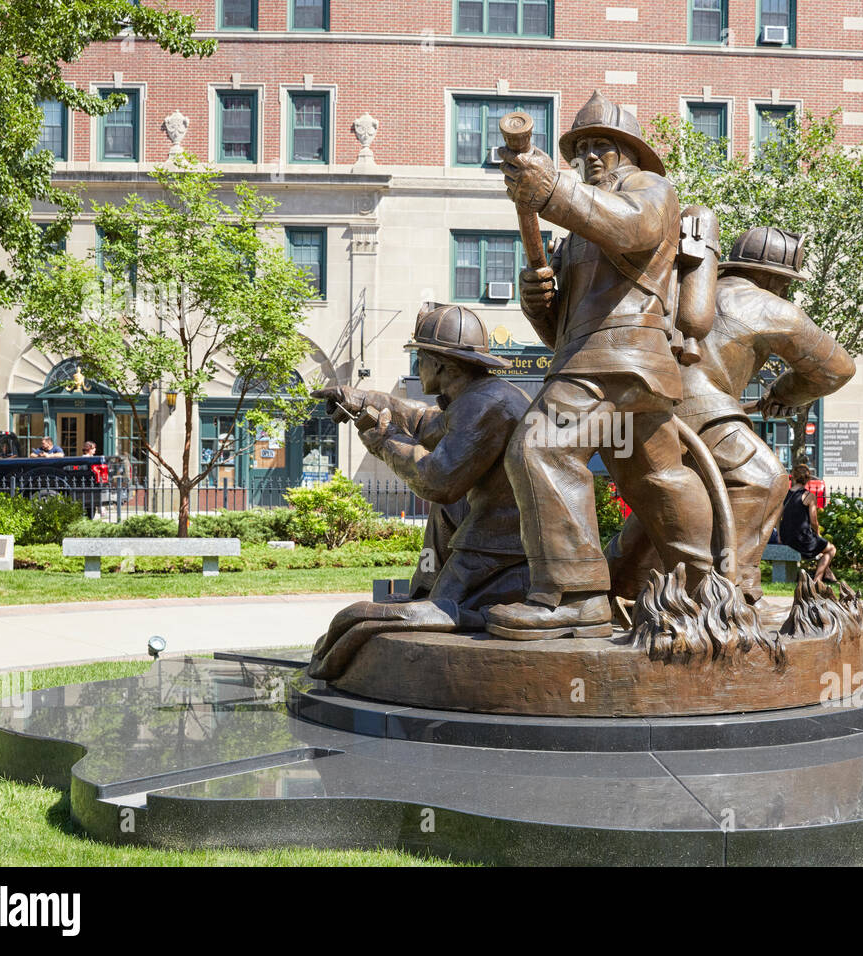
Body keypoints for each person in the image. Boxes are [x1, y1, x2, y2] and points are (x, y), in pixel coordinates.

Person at [485, 90, 715, 641]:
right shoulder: (576, 233)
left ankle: (577, 595)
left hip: (615, 362)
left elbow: (631, 228)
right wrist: (538, 299)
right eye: (581, 147)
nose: (590, 157)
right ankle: (709, 586)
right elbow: (562, 331)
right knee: (656, 476)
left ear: (629, 152)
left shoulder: (648, 189)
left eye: (604, 147)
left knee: (540, 447)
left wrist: (553, 190)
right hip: (608, 364)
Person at [604, 226, 855, 605]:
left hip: (627, 411)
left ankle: (610, 587)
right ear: (775, 279)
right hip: (691, 406)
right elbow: (837, 368)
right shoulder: (765, 303)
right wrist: (785, 392)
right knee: (762, 478)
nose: (787, 294)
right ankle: (726, 594)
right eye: (787, 285)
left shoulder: (681, 289)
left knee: (672, 506)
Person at [306, 304, 533, 679]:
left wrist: (384, 439)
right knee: (437, 559)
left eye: (420, 358)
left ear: (440, 365)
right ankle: (428, 595)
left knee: (418, 615)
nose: (417, 368)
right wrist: (361, 400)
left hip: (500, 545)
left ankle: (457, 607)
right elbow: (425, 422)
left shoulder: (486, 404)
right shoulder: (476, 396)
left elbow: (440, 481)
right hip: (490, 532)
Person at [778, 464, 837, 584]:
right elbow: (814, 521)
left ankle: (828, 575)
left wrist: (779, 535)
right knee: (831, 549)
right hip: (802, 538)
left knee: (821, 550)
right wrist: (818, 534)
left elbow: (777, 517)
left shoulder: (785, 495)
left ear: (793, 477)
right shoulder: (809, 496)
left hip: (786, 537)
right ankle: (817, 580)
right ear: (808, 479)